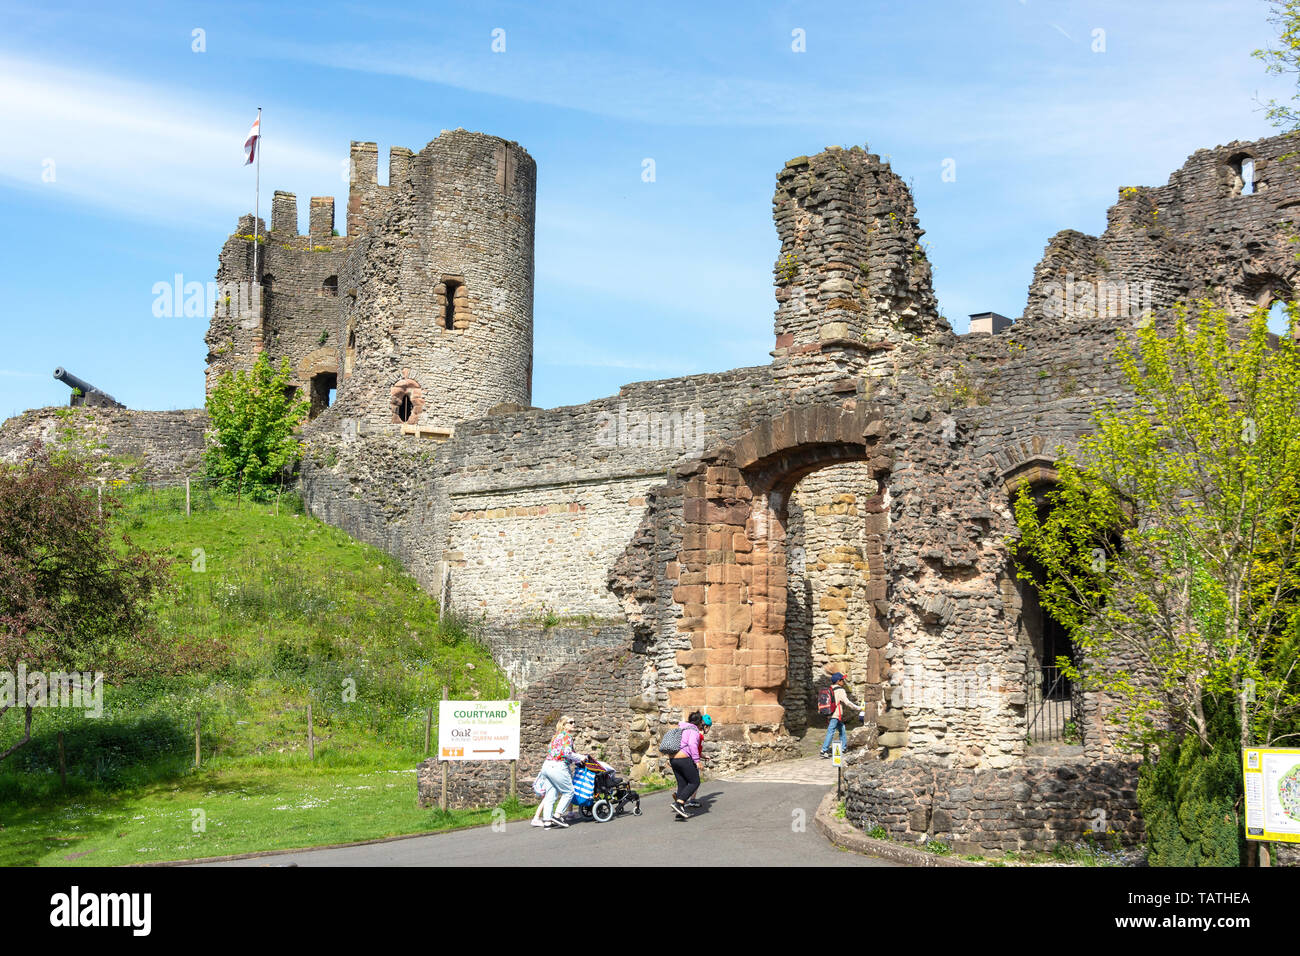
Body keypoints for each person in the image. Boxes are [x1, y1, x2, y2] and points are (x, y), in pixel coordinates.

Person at [539, 715, 587, 828]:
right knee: (569, 791)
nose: (573, 724)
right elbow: (567, 753)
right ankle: (557, 815)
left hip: (546, 766)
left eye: (574, 722)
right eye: (570, 722)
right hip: (558, 766)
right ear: (564, 725)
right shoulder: (567, 736)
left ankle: (547, 820)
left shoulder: (555, 737)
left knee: (551, 794)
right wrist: (581, 757)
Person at [669, 711, 706, 819]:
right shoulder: (693, 730)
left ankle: (679, 812)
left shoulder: (682, 728)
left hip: (673, 759)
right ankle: (679, 803)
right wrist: (697, 761)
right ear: (699, 723)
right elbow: (692, 744)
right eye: (702, 724)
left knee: (683, 784)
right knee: (695, 782)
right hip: (684, 758)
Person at [820, 672, 862, 759]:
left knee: (842, 728)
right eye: (842, 680)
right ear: (838, 681)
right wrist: (859, 708)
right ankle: (824, 750)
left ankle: (843, 747)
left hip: (830, 713)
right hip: (836, 714)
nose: (843, 681)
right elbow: (847, 702)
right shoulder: (840, 690)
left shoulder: (830, 689)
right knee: (831, 731)